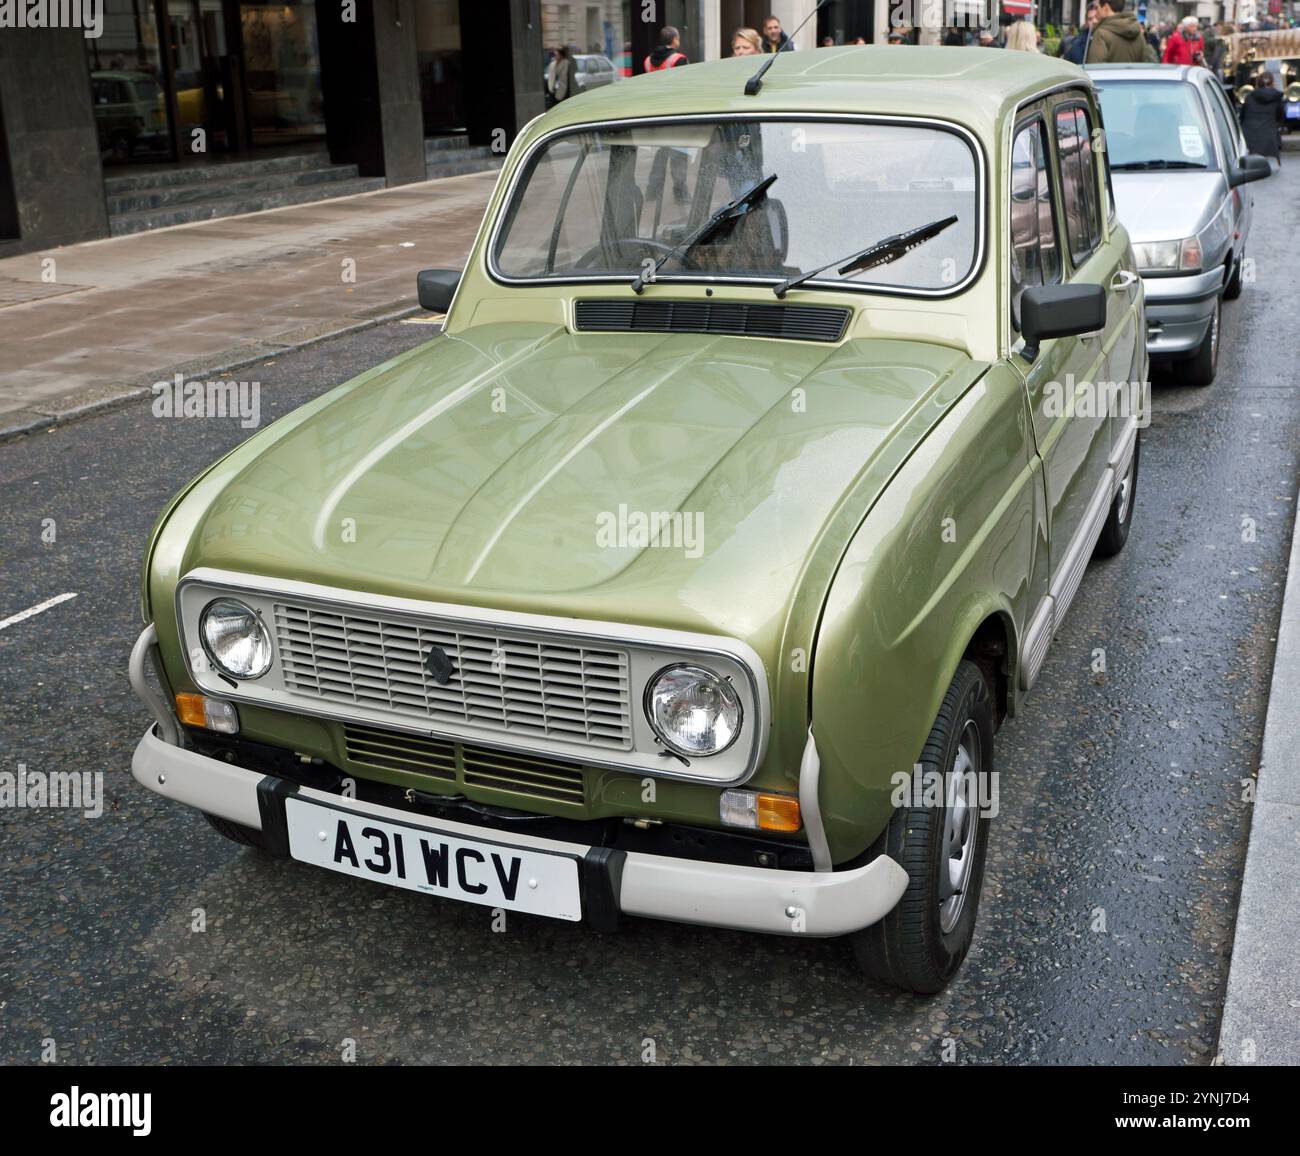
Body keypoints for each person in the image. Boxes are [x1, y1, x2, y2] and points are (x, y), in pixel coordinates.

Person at [1086, 0, 1155, 63]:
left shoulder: (1101, 34)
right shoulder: (1138, 32)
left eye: (1098, 8)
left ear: (1106, 7)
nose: (1096, 12)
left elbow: (1096, 69)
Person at [1240, 71, 1284, 165]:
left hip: (1249, 135)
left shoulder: (1250, 96)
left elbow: (1242, 116)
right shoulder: (1277, 97)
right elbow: (1280, 116)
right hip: (1269, 136)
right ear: (1272, 82)